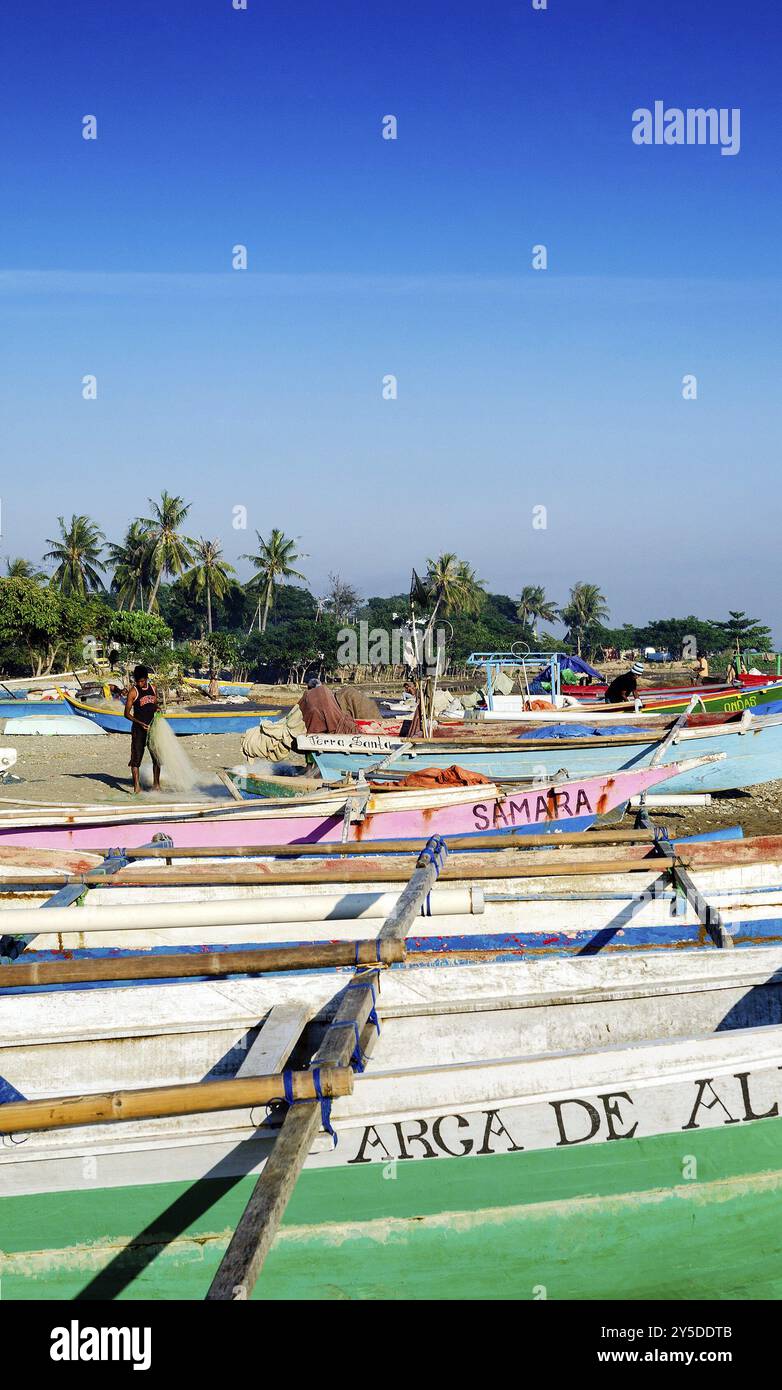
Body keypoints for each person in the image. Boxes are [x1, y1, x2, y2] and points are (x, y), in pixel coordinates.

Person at [124, 665, 161, 793]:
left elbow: (154, 704)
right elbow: (127, 714)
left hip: (153, 728)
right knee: (136, 759)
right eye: (137, 681)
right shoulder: (133, 692)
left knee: (157, 757)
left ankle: (156, 785)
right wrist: (140, 723)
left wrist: (157, 708)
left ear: (146, 679)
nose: (140, 683)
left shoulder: (153, 688)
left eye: (142, 681)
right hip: (138, 730)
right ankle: (136, 788)